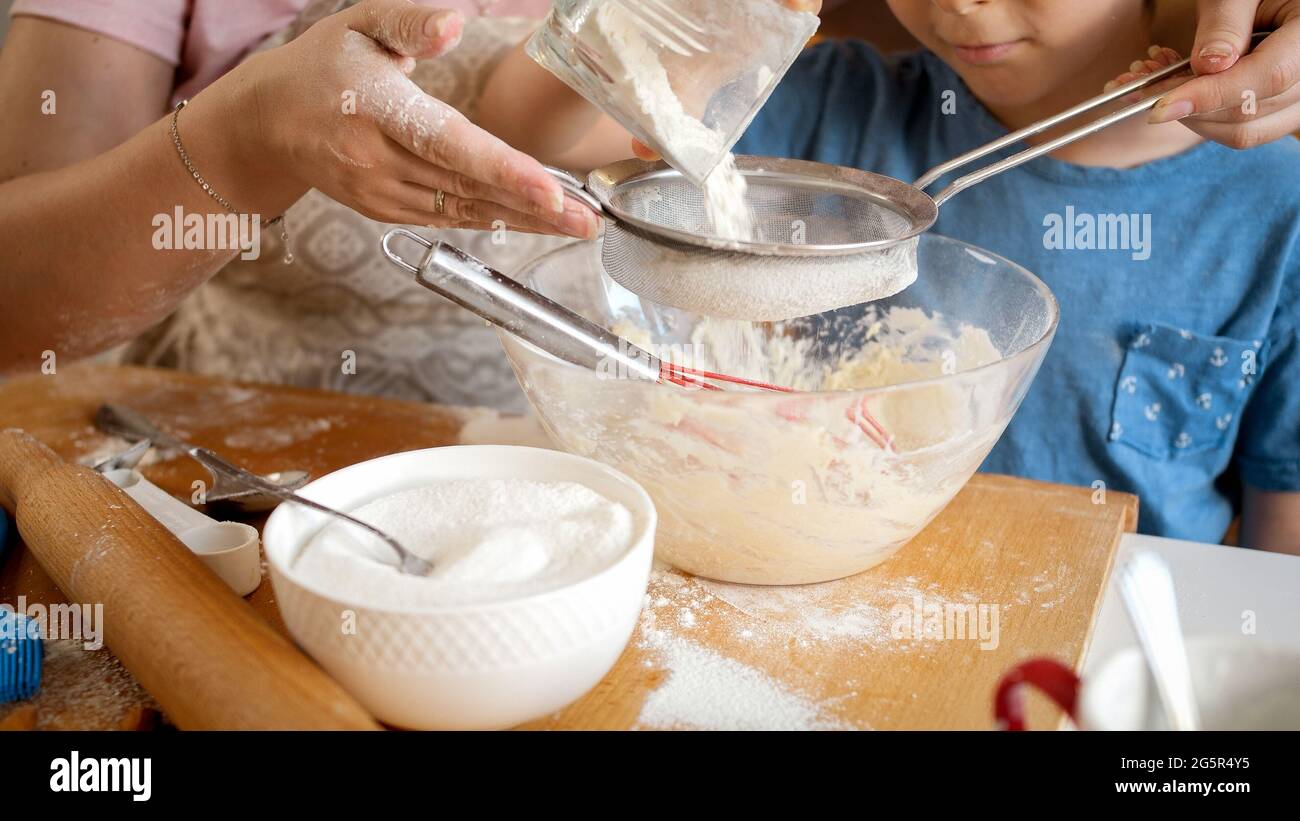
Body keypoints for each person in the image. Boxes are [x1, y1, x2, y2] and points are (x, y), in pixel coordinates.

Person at [476, 0, 1300, 552]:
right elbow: (526, 126)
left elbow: (1277, 560)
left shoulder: (1278, 215)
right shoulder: (831, 105)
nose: (961, 2)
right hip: (817, 588)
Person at [0, 0, 597, 374]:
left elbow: (542, 110)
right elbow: (16, 297)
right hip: (234, 462)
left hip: (551, 458)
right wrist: (245, 137)